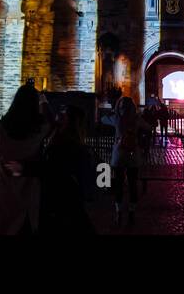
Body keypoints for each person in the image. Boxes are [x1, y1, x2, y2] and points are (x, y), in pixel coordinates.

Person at [0, 81, 52, 234]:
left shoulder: (0, 128)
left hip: (4, 187)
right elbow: (50, 122)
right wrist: (44, 102)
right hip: (28, 189)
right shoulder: (38, 129)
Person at [38, 105, 97, 235]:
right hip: (66, 204)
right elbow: (88, 188)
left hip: (55, 203)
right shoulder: (79, 149)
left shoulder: (56, 145)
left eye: (62, 116)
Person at [101, 96, 150, 225]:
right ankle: (131, 213)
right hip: (133, 155)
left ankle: (118, 212)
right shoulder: (136, 119)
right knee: (133, 185)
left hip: (119, 156)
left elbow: (103, 119)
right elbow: (148, 127)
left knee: (118, 185)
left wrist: (112, 112)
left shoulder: (116, 119)